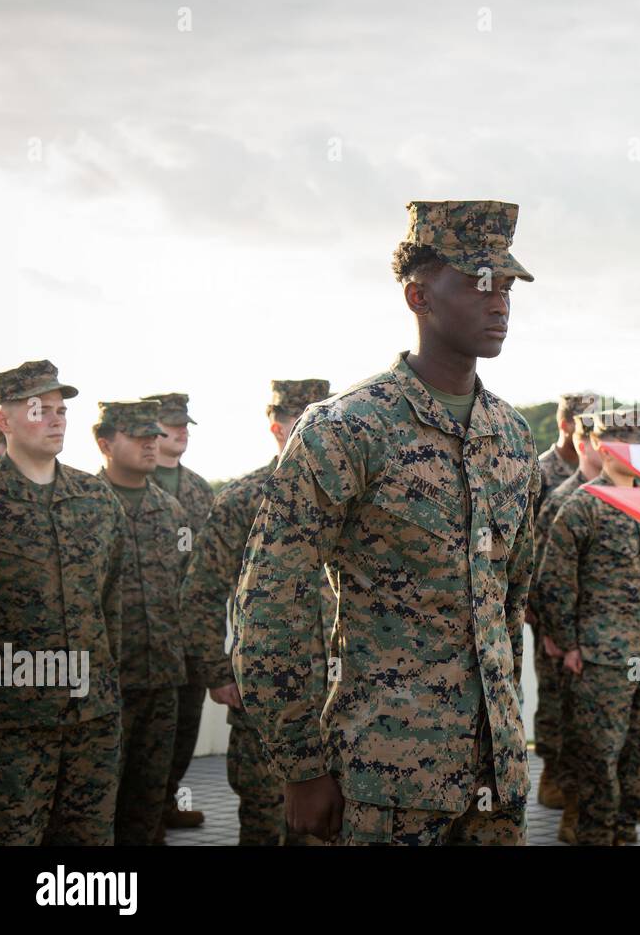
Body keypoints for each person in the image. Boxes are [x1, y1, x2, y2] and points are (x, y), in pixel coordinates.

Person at [234, 199, 540, 846]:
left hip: (496, 781)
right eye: (480, 285)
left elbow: (509, 604)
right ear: (418, 295)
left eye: (507, 287)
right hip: (385, 784)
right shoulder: (348, 428)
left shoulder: (511, 437)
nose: (500, 304)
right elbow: (271, 601)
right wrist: (302, 765)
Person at [179, 379, 333, 845]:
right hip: (266, 699)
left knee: (335, 826)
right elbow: (202, 592)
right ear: (277, 427)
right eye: (303, 424)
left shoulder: (358, 497)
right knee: (266, 822)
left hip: (342, 697)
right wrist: (216, 671)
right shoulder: (245, 500)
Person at [0, 361, 126, 845]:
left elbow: (112, 607)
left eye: (61, 410)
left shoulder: (97, 499)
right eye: (38, 410)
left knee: (89, 842)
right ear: (4, 421)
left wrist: (109, 685)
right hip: (10, 722)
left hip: (94, 717)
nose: (56, 420)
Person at [537, 409, 640, 845]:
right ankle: (595, 831)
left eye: (638, 445)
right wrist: (569, 643)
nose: (632, 454)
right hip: (601, 658)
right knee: (598, 756)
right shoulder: (584, 505)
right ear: (600, 446)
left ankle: (626, 829)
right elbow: (554, 581)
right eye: (623, 444)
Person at [94, 399, 191, 845]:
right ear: (105, 443)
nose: (151, 444)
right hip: (106, 684)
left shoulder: (171, 511)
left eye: (153, 436)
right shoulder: (87, 508)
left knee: (150, 801)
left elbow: (189, 590)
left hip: (163, 677)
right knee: (98, 801)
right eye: (138, 437)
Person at [145, 391, 214, 834]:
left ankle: (167, 799)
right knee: (145, 733)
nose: (181, 431)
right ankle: (139, 813)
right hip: (144, 634)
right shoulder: (130, 483)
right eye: (172, 425)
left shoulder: (198, 489)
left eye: (185, 424)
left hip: (189, 630)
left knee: (185, 724)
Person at [528, 411, 600, 831]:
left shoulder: (621, 492)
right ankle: (554, 775)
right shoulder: (549, 481)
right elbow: (537, 556)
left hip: (601, 626)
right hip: (555, 614)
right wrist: (544, 620)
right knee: (556, 700)